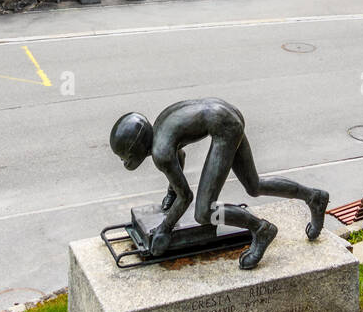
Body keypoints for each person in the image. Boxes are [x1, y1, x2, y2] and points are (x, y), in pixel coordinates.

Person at [110, 97, 329, 269]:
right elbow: (181, 156)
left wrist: (165, 229)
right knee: (254, 186)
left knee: (204, 213)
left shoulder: (160, 152)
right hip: (227, 114)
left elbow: (186, 196)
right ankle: (314, 197)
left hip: (225, 128)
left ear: (135, 150)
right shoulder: (159, 126)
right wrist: (171, 192)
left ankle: (261, 229)